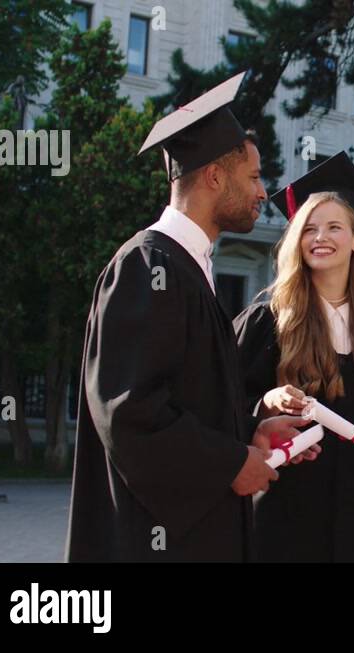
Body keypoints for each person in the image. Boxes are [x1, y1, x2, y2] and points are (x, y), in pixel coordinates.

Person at [66, 72, 316, 563]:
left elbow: (185, 403)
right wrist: (229, 463)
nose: (263, 192)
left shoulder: (189, 270)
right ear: (214, 177)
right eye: (253, 177)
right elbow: (129, 412)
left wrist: (251, 435)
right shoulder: (147, 268)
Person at [233, 152, 354, 562]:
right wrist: (265, 405)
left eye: (334, 227)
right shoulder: (268, 323)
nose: (319, 237)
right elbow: (222, 397)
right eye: (309, 228)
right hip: (282, 511)